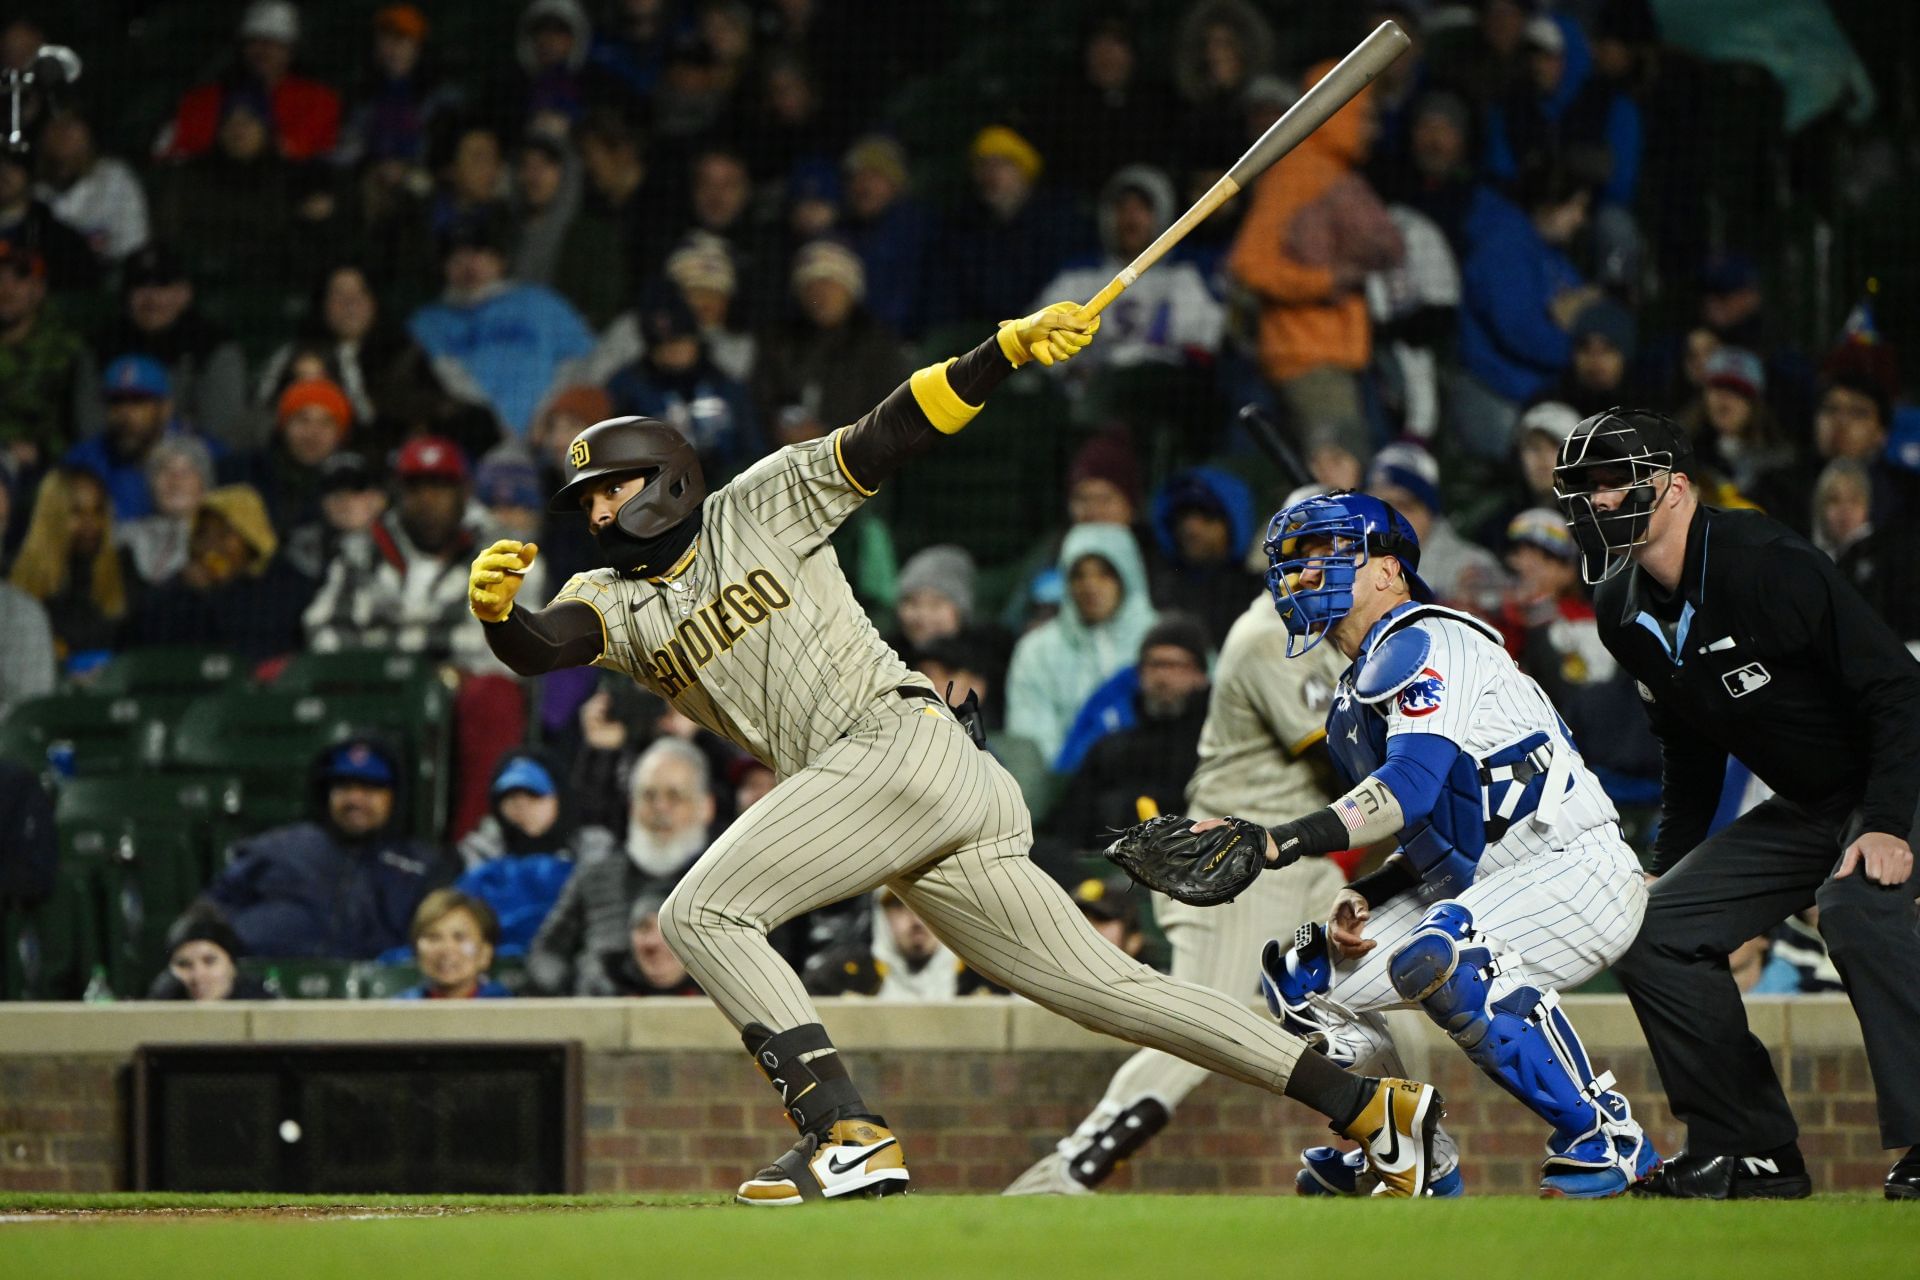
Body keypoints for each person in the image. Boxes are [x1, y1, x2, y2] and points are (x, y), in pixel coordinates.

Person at [467, 302, 1445, 1203]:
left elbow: (890, 430)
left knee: (703, 909)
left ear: (668, 470)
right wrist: (498, 613)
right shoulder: (610, 597)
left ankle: (842, 1128)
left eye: (613, 487)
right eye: (586, 499)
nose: (596, 511)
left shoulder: (755, 502)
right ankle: (1369, 1107)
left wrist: (1003, 352)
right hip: (893, 796)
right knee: (1117, 991)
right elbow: (545, 643)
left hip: (897, 743)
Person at [1179, 487, 1659, 1198]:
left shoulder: (1430, 636)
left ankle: (1606, 1136)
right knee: (1300, 969)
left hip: (1574, 865)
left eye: (1327, 554)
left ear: (1389, 571)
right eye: (1298, 561)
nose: (1306, 574)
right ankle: (1410, 1147)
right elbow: (1445, 834)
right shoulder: (1352, 695)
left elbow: (1407, 785)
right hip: (1483, 886)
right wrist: (1366, 893)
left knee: (1445, 951)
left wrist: (1277, 842)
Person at [1553, 409, 1920, 1201]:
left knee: (1857, 905)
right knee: (1651, 931)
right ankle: (1749, 1150)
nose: (1597, 502)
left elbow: (1899, 689)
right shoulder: (1620, 611)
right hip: (1816, 802)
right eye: (1586, 487)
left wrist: (1889, 822)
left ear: (1676, 489)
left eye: (1616, 483)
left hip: (1901, 778)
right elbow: (1689, 752)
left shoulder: (1768, 563)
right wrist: (1668, 871)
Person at [1005, 516, 1355, 1195]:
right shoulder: (1269, 638)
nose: (1320, 570)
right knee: (1202, 1027)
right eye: (1308, 556)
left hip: (1305, 860)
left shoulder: (1341, 637)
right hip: (1237, 866)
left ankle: (1387, 1152)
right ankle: (1071, 1168)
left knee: (1376, 1001)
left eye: (1335, 555)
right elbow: (1346, 770)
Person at [1227, 57, 1400, 466]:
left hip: (1333, 351)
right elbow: (1250, 263)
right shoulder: (1298, 172)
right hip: (1308, 355)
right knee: (1337, 479)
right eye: (1363, 115)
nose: (1372, 129)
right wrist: (1325, 282)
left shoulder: (1324, 170)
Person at [304, 435, 537, 675]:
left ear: (464, 492)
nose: (427, 500)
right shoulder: (362, 551)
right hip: (374, 688)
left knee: (494, 692)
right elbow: (323, 628)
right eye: (416, 488)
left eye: (439, 487)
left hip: (461, 689)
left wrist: (441, 675)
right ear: (398, 493)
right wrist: (378, 670)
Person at [202, 735, 450, 959]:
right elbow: (211, 913)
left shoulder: (422, 866)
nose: (355, 799)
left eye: (370, 788)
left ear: (394, 797)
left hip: (379, 998)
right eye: (344, 787)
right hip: (264, 989)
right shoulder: (277, 848)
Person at [526, 737, 716, 995]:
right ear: (631, 807)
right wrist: (572, 988)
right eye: (648, 796)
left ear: (706, 808)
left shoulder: (728, 881)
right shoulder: (596, 874)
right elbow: (546, 952)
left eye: (675, 796)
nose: (660, 808)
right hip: (601, 1020)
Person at [408, 212, 594, 439]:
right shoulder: (430, 321)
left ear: (500, 259)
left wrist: (550, 415)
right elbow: (446, 380)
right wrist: (491, 424)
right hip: (473, 438)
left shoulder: (540, 302)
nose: (468, 265)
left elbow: (581, 362)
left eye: (478, 252)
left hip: (553, 434)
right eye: (456, 256)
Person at [1453, 165, 1596, 459]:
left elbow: (1588, 309)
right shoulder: (1503, 244)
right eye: (1576, 207)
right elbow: (1520, 330)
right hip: (1497, 395)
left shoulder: (1548, 251)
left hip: (1534, 394)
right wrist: (1578, 354)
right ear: (1550, 203)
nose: (1581, 219)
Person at [1030, 166, 1224, 379]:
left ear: (1161, 213)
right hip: (1091, 397)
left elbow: (1205, 343)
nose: (1131, 217)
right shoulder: (1077, 277)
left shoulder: (1183, 275)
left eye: (1142, 208)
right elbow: (1039, 339)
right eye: (1122, 208)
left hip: (1160, 393)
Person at [1045, 614, 1213, 852]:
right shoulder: (1110, 747)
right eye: (1153, 665)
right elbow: (1069, 824)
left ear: (1200, 676)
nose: (1162, 677)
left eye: (1175, 665)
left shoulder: (1213, 747)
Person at [1005, 522, 1158, 769]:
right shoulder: (1036, 651)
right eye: (1078, 575)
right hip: (1070, 791)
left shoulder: (1164, 640)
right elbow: (1033, 744)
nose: (1090, 585)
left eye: (1104, 574)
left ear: (1127, 576)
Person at [89, 247, 251, 452]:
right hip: (114, 466)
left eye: (162, 286)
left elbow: (221, 431)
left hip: (191, 470)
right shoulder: (103, 345)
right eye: (140, 286)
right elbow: (90, 430)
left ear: (185, 293)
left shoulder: (212, 346)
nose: (151, 298)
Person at [130, 484, 314, 660]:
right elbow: (148, 641)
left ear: (251, 537)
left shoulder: (288, 587)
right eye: (202, 534)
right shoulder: (178, 591)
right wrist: (189, 593)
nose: (211, 545)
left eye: (225, 534)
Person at [753, 240, 910, 447]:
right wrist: (778, 428)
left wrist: (829, 434)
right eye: (811, 286)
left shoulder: (878, 346)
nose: (821, 294)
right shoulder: (782, 343)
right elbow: (763, 400)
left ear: (851, 291)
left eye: (831, 284)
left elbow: (891, 415)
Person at [455, 749, 608, 955]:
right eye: (510, 797)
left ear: (559, 798)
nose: (522, 805)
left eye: (533, 795)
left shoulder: (595, 851)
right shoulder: (477, 857)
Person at [159, 0, 342, 162]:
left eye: (273, 42)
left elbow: (322, 159)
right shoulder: (202, 100)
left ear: (292, 50)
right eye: (255, 40)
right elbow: (168, 157)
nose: (262, 50)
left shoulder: (319, 100)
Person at [1364, 442, 1506, 616]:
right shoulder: (1357, 559)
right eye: (1379, 506)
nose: (1389, 517)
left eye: (1403, 505)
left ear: (1430, 512)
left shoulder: (1469, 564)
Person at [8, 467, 128, 667]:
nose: (90, 523)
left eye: (98, 511)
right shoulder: (15, 585)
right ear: (51, 517)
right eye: (76, 512)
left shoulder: (124, 573)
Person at [1146, 468, 1261, 647]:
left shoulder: (1260, 595)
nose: (1191, 528)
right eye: (1182, 516)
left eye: (1207, 516)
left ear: (1234, 523)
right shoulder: (1154, 589)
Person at [0, 240, 90, 468]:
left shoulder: (66, 350)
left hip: (45, 466)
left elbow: (81, 425)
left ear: (39, 289)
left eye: (20, 276)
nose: (5, 288)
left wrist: (41, 451)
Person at [66, 356, 188, 522]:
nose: (125, 413)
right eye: (116, 401)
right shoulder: (82, 461)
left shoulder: (199, 455)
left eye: (138, 401)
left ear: (165, 408)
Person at [837, 135, 931, 340]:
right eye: (857, 176)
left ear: (895, 183)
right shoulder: (842, 231)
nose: (863, 185)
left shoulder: (919, 230)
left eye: (874, 176)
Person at [34, 110, 150, 264]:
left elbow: (134, 246)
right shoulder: (31, 186)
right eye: (55, 126)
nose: (62, 135)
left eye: (71, 127)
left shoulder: (115, 177)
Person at [117, 436, 214, 583]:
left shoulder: (217, 541)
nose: (175, 481)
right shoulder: (127, 537)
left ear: (203, 485)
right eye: (165, 471)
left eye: (186, 471)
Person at [398, 889, 513, 999]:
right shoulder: (397, 1010)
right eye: (433, 937)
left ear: (486, 953)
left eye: (460, 938)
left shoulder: (511, 1010)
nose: (446, 949)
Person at [146, 909, 273, 1001]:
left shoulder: (261, 1002)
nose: (198, 976)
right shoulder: (163, 1000)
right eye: (184, 964)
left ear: (232, 965)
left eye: (209, 961)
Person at [602, 893, 703, 996]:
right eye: (644, 928)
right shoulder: (602, 994)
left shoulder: (717, 995)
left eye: (669, 928)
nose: (654, 941)